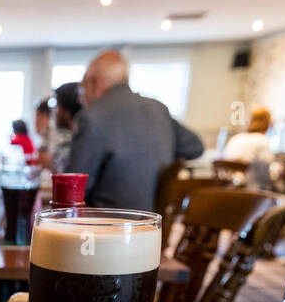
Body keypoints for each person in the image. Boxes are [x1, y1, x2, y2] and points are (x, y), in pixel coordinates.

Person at [66, 50, 205, 210]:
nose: (81, 98)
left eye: (82, 89)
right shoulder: (158, 109)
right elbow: (196, 147)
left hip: (108, 226)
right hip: (154, 225)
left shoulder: (91, 117)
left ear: (97, 83)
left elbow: (72, 190)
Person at [222, 106, 275, 187]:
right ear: (268, 123)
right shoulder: (262, 141)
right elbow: (266, 175)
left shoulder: (236, 138)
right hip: (250, 193)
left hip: (226, 190)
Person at [48, 82, 82, 172]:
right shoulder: (79, 139)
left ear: (66, 112)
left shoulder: (70, 147)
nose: (55, 111)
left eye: (57, 106)